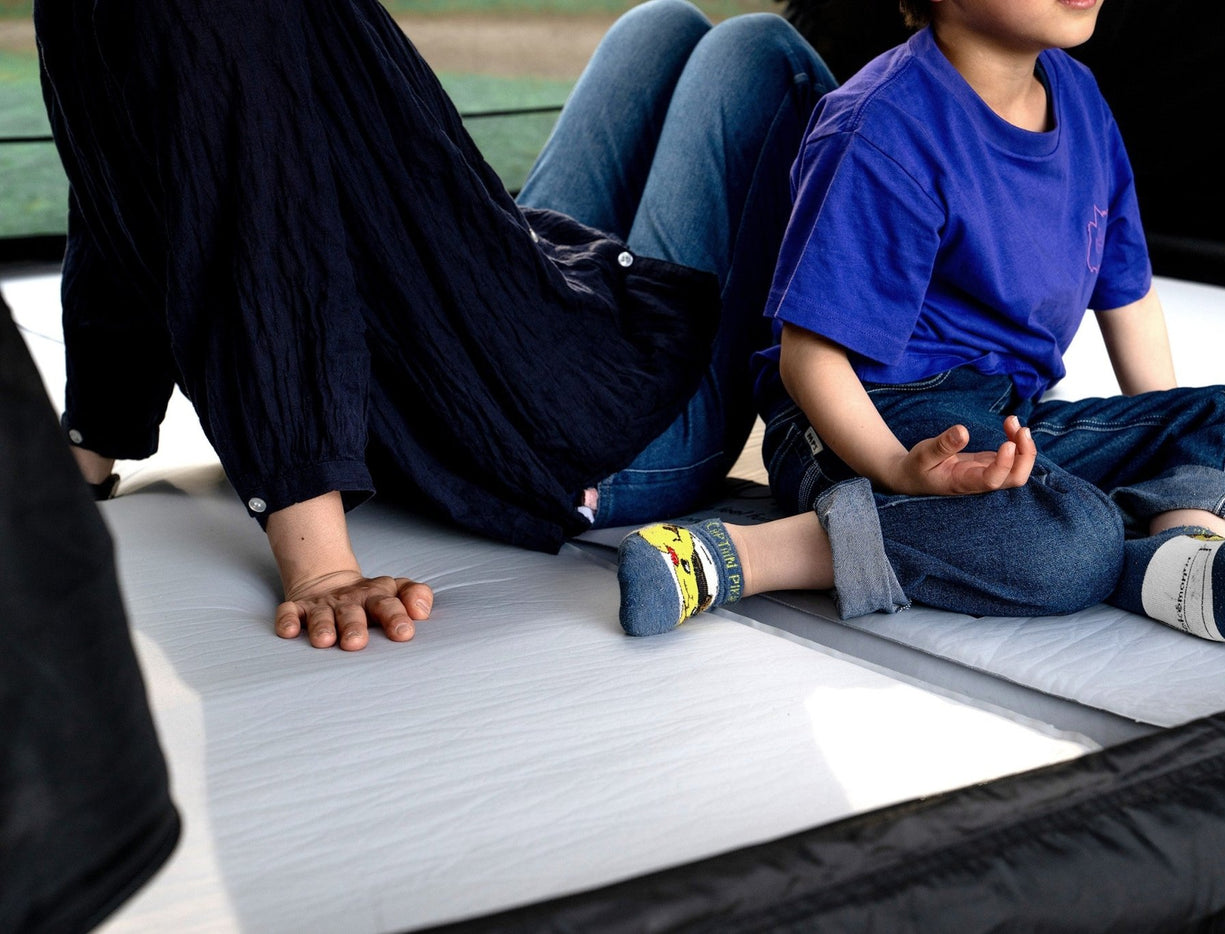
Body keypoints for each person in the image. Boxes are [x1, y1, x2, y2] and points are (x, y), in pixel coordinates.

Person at [34, 0, 836, 650]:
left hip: (488, 322)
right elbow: (263, 245)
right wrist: (320, 568)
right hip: (570, 442)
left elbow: (116, 201)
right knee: (762, 53)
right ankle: (884, 395)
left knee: (659, 26)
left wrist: (88, 449)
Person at [617, 0, 1225, 643]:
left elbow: (1128, 296)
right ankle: (740, 555)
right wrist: (897, 468)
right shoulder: (881, 125)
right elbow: (810, 358)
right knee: (1069, 546)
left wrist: (1168, 432)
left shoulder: (1082, 99)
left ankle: (1181, 553)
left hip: (1005, 413)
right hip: (871, 414)